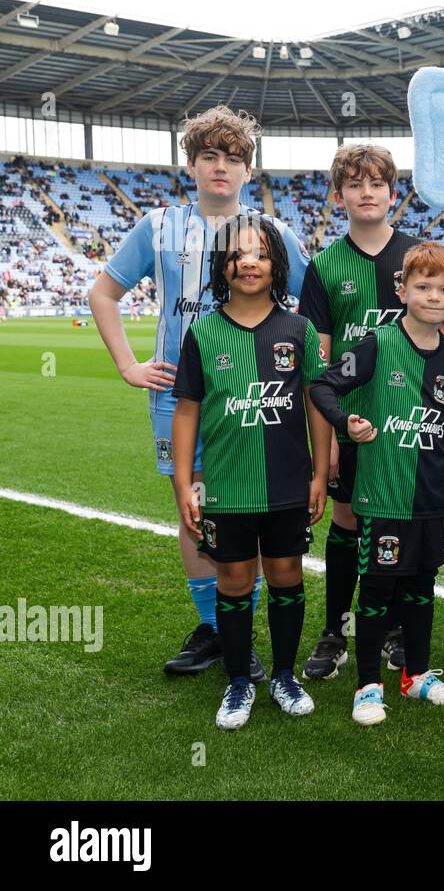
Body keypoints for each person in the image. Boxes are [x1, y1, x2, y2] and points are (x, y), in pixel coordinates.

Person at [88, 105, 309, 679]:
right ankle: (216, 629)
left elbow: (316, 303)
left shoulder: (274, 231)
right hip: (180, 397)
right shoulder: (158, 225)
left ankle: (245, 636)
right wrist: (129, 365)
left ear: (247, 171)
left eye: (233, 159)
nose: (221, 168)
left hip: (258, 398)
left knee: (251, 505)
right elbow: (102, 294)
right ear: (190, 164)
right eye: (209, 156)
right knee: (197, 511)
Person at [171, 215, 330, 730]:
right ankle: (239, 680)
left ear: (276, 264)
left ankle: (284, 674)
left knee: (285, 575)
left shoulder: (298, 329)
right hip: (227, 487)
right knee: (235, 578)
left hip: (286, 484)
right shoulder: (204, 330)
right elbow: (188, 410)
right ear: (222, 266)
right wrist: (183, 482)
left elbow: (314, 403)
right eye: (237, 255)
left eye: (260, 253)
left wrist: (319, 471)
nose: (248, 263)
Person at [309, 243, 444, 724]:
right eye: (423, 287)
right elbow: (321, 385)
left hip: (429, 499)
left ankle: (416, 676)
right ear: (402, 290)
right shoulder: (378, 343)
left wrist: (435, 460)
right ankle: (368, 686)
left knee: (422, 587)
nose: (434, 296)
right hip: (381, 497)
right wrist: (346, 424)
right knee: (377, 592)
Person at [298, 143, 426, 681]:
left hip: (404, 420)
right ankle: (337, 629)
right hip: (348, 422)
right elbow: (318, 363)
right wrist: (322, 446)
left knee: (397, 521)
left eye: (377, 183)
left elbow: (437, 346)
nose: (367, 192)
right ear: (339, 195)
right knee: (348, 519)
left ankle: (396, 626)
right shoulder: (324, 267)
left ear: (393, 193)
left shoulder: (420, 257)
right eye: (355, 184)